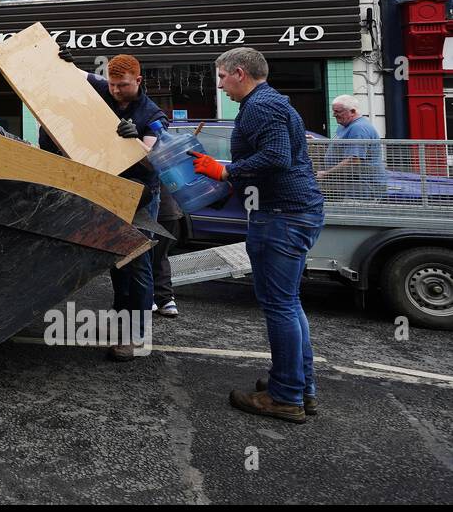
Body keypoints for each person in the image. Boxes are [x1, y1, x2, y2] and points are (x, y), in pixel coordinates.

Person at [192, 47, 323, 424]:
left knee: (280, 306)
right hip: (295, 212)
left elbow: (277, 157)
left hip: (282, 216)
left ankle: (285, 396)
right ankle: (300, 387)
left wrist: (225, 172)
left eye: (221, 77)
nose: (220, 85)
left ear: (238, 72)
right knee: (290, 303)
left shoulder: (261, 106)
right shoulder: (269, 102)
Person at [45, 52, 167, 360]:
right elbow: (76, 76)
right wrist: (65, 61)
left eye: (122, 85)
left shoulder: (153, 116)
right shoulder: (105, 88)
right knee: (115, 257)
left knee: (137, 263)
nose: (115, 90)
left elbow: (154, 162)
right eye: (112, 84)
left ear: (138, 81)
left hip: (140, 195)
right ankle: (121, 316)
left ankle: (135, 336)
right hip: (108, 188)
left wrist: (134, 140)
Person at [317, 94, 385, 199]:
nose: (334, 115)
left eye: (338, 111)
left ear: (352, 112)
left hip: (362, 188)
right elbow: (337, 148)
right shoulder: (344, 126)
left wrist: (326, 173)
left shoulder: (359, 128)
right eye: (334, 111)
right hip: (349, 185)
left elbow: (354, 160)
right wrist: (315, 140)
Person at [152, 187, 182, 318]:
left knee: (142, 258)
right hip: (169, 210)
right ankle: (165, 300)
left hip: (152, 211)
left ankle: (146, 298)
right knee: (160, 255)